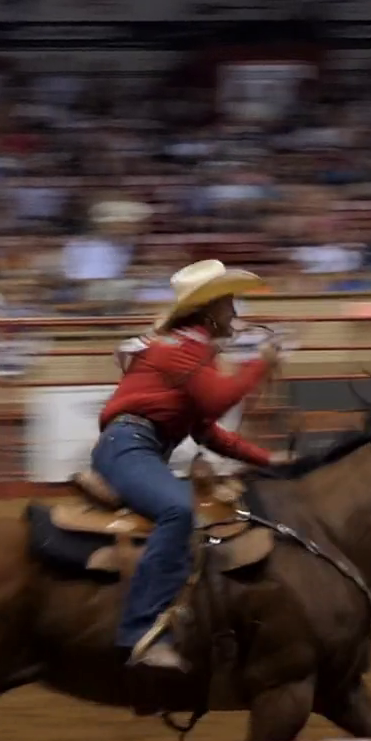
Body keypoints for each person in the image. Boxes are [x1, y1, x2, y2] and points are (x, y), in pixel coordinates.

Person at [93, 259, 282, 682]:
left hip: (133, 448)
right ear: (211, 309)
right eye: (229, 302)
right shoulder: (179, 350)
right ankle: (139, 632)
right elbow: (218, 402)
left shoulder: (185, 351)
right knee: (179, 510)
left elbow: (207, 432)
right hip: (129, 447)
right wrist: (260, 365)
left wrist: (268, 460)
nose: (235, 312)